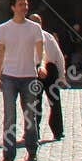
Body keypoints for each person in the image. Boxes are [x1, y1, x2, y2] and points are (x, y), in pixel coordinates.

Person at [0, 0, 45, 161]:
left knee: (30, 115)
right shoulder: (4, 28)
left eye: (26, 4)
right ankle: (8, 155)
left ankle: (32, 150)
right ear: (13, 7)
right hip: (9, 77)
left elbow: (41, 51)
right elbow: (1, 53)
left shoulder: (34, 28)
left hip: (29, 76)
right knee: (9, 116)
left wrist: (42, 65)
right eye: (21, 4)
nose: (25, 7)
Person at [29, 12, 66, 141]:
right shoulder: (27, 37)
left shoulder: (48, 37)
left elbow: (59, 56)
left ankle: (58, 130)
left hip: (50, 70)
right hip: (34, 71)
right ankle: (35, 132)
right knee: (35, 102)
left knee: (54, 102)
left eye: (37, 21)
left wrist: (61, 75)